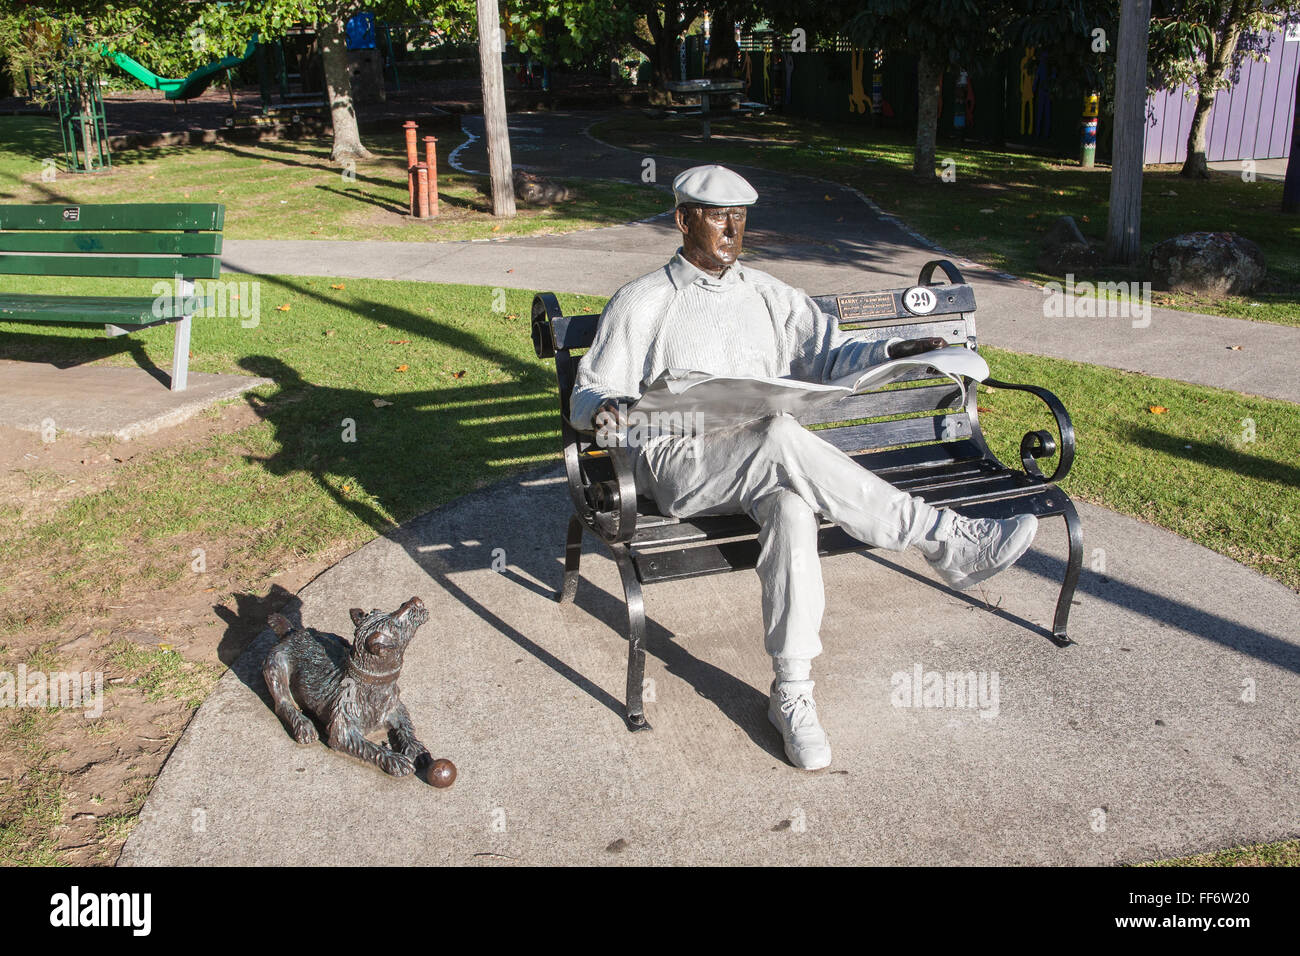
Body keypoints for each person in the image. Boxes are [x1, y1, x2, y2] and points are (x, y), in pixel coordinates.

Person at [570, 165, 1037, 770]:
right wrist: (616, 410)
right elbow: (587, 402)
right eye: (717, 215)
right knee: (780, 436)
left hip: (760, 457)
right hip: (675, 461)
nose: (732, 228)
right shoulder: (645, 301)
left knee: (792, 505)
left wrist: (900, 348)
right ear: (683, 218)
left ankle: (791, 690)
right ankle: (942, 537)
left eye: (741, 216)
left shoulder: (768, 294)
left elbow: (833, 352)